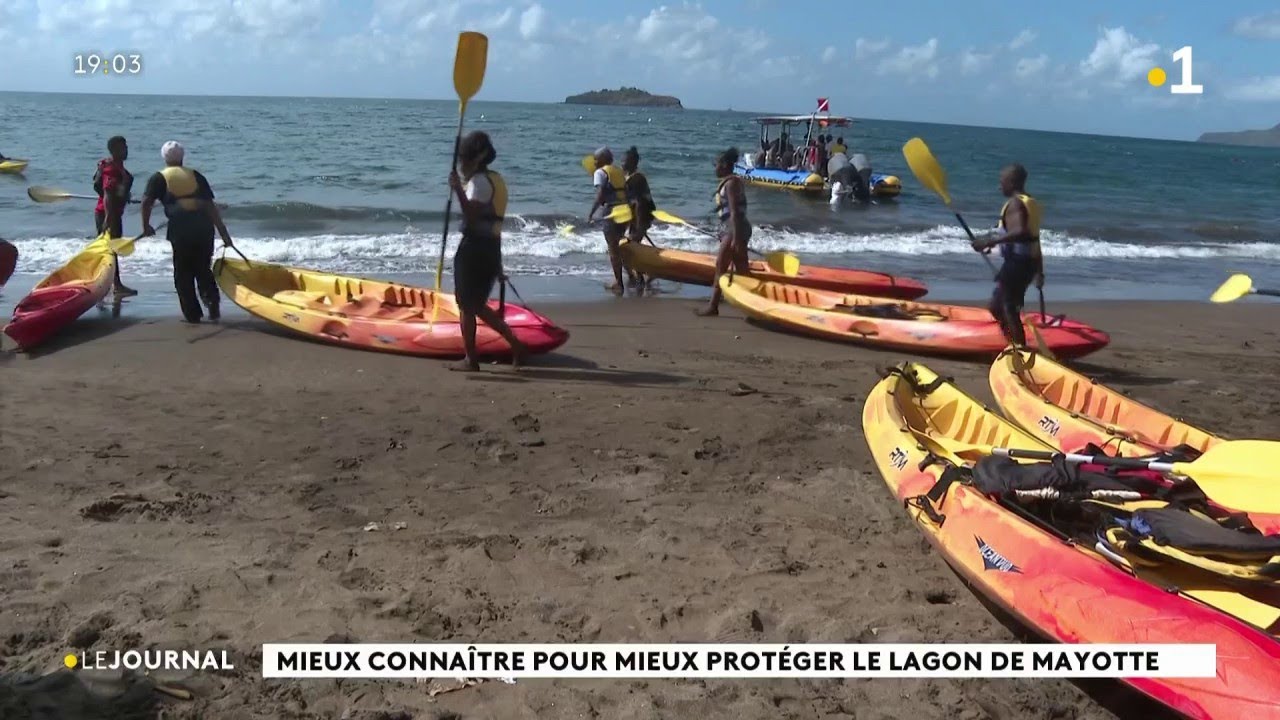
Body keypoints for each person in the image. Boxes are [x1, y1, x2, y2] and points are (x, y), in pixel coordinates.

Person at [445, 131, 528, 372]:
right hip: (490, 247)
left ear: (474, 159)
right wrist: (499, 264)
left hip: (474, 249)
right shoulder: (497, 179)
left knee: (465, 304)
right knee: (478, 305)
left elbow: (471, 214)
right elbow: (496, 226)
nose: (461, 166)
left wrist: (457, 189)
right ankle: (516, 344)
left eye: (463, 160)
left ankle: (471, 360)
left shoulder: (479, 182)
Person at [140, 141, 235, 324]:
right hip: (204, 229)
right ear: (182, 157)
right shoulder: (196, 175)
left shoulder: (158, 178)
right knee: (203, 268)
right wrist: (224, 234)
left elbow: (146, 202)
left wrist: (146, 226)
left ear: (164, 158)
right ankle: (212, 302)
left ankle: (193, 314)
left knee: (183, 273)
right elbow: (210, 206)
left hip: (180, 231)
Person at [972, 163, 1044, 347]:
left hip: (1018, 265)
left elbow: (1019, 231)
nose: (999, 186)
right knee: (1001, 306)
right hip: (1028, 263)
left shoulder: (1015, 204)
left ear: (1012, 182)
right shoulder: (1030, 202)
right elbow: (1034, 239)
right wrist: (1039, 271)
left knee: (1005, 307)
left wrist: (988, 242)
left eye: (1002, 181)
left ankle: (1019, 350)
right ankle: (1014, 346)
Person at [697, 148, 751, 317]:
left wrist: (735, 238)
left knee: (721, 266)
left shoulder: (731, 184)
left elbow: (734, 212)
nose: (715, 168)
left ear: (725, 165)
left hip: (735, 229)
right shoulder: (731, 182)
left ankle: (713, 306)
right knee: (742, 269)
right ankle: (754, 303)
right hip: (736, 228)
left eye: (717, 164)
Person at [587, 146, 635, 294]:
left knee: (613, 249)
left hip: (611, 213)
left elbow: (600, 194)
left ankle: (618, 283)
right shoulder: (619, 172)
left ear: (603, 160)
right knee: (620, 246)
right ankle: (632, 277)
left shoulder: (600, 172)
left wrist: (591, 213)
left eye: (596, 159)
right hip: (624, 212)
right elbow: (627, 193)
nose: (594, 162)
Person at [93, 135, 137, 296]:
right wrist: (108, 219)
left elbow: (117, 191)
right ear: (114, 150)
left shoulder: (117, 167)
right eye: (123, 147)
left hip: (112, 214)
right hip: (108, 215)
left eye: (126, 146)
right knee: (110, 250)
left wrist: (125, 196)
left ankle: (109, 283)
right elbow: (108, 194)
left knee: (111, 250)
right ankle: (114, 285)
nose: (126, 150)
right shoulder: (111, 169)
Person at [621, 146, 653, 288]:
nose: (622, 163)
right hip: (634, 217)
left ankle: (640, 276)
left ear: (633, 163)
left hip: (642, 216)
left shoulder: (637, 179)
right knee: (630, 248)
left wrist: (640, 226)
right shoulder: (627, 177)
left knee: (628, 249)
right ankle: (638, 275)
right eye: (622, 160)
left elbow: (639, 203)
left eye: (625, 161)